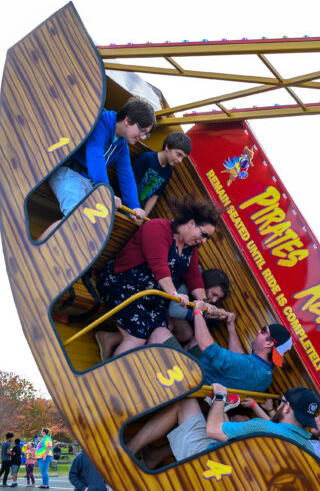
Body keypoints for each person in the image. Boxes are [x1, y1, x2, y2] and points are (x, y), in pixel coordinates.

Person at [94, 195, 223, 358]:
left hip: (151, 296)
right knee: (138, 335)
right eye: (204, 234)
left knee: (164, 328)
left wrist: (205, 303)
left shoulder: (190, 247)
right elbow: (159, 267)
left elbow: (194, 277)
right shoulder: (158, 228)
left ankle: (108, 339)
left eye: (207, 238)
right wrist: (174, 294)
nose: (204, 240)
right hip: (123, 283)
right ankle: (111, 370)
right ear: (191, 223)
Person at [41, 99, 156, 239]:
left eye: (146, 134)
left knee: (94, 228)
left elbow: (126, 175)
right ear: (127, 120)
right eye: (142, 130)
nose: (143, 137)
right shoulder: (102, 122)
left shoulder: (122, 146)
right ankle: (37, 249)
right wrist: (106, 192)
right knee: (76, 219)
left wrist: (134, 206)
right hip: (68, 171)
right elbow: (95, 156)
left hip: (87, 182)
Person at [127, 385, 320, 468]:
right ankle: (152, 457)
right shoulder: (309, 450)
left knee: (186, 404)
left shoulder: (263, 428)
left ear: (287, 407)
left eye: (280, 402)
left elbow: (213, 430)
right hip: (236, 480)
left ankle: (127, 450)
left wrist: (220, 397)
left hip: (208, 465)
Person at [190, 300, 292, 394]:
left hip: (192, 379)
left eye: (263, 330)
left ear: (268, 344)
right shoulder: (266, 377)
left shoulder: (248, 366)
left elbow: (207, 347)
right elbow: (239, 360)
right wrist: (231, 326)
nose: (258, 331)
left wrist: (198, 311)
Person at [241, 400, 320, 474]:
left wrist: (254, 405)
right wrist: (269, 409)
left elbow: (278, 430)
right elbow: (283, 429)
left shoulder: (313, 448)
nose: (315, 419)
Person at [132, 131, 191, 216]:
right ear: (167, 147)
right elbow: (130, 184)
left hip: (139, 210)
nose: (180, 160)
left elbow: (154, 196)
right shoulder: (146, 158)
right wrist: (133, 208)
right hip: (127, 202)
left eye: (183, 158)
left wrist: (143, 217)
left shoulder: (168, 173)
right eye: (178, 154)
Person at [167, 268, 231, 347]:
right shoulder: (189, 285)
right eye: (214, 294)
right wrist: (199, 314)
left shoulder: (210, 301)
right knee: (186, 333)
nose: (214, 300)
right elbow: (173, 311)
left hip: (185, 335)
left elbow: (205, 327)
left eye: (219, 298)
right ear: (206, 285)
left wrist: (216, 318)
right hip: (165, 312)